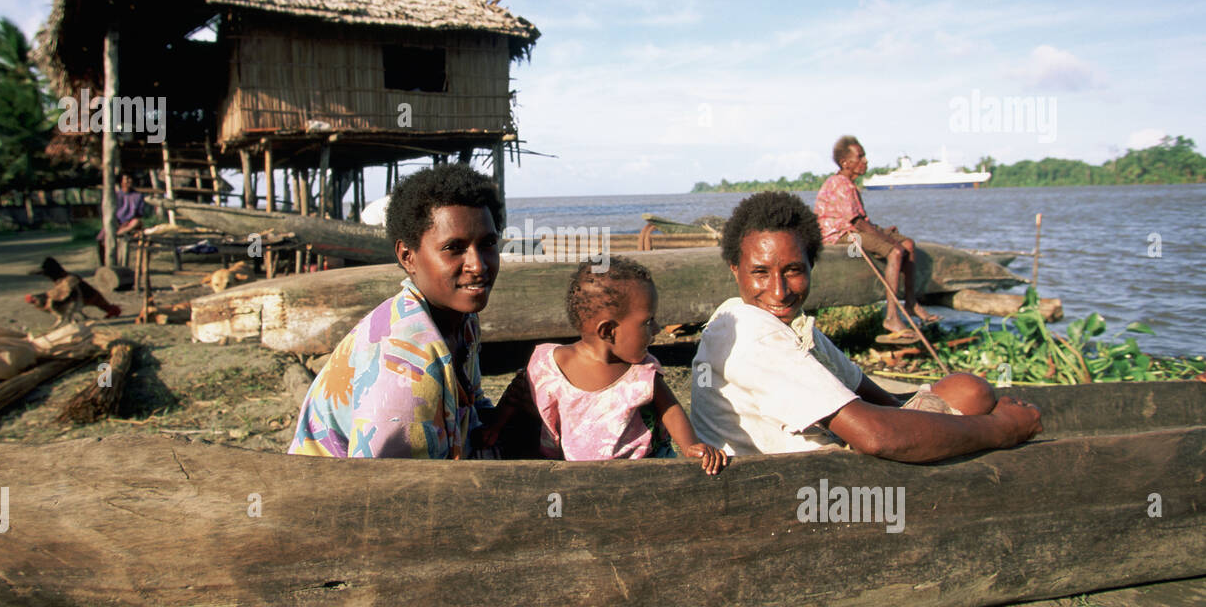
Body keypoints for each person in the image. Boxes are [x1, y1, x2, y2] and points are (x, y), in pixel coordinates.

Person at [690, 191, 1041, 463]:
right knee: (964, 403)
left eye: (794, 270)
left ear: (813, 266)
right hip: (798, 487)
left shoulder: (787, 326)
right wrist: (1000, 429)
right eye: (760, 272)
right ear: (735, 269)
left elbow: (882, 401)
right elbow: (876, 436)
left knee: (969, 390)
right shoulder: (751, 331)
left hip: (825, 465)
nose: (779, 291)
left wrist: (934, 420)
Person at [288, 163, 502, 459]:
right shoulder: (404, 369)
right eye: (454, 248)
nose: (478, 265)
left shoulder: (461, 320)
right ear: (408, 256)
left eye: (488, 243)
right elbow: (389, 491)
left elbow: (472, 407)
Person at [482, 258, 727, 474]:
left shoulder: (642, 371)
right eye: (648, 321)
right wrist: (496, 424)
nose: (657, 329)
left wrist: (690, 446)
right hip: (571, 472)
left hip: (642, 473)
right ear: (608, 331)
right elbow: (517, 394)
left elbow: (670, 408)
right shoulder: (548, 363)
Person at [814, 136, 937, 336]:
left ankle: (911, 303)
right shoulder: (839, 183)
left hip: (855, 228)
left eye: (864, 156)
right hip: (840, 234)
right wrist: (885, 239)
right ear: (846, 163)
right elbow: (856, 222)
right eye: (860, 157)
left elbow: (861, 220)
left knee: (908, 244)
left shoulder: (848, 183)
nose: (865, 161)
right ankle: (891, 317)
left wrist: (883, 232)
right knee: (896, 251)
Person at [96, 173, 147, 266]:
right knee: (100, 239)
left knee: (136, 222)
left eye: (130, 179)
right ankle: (104, 264)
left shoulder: (138, 196)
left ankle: (118, 233)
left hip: (130, 223)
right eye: (126, 179)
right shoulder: (115, 195)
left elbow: (140, 214)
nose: (128, 181)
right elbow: (110, 211)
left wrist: (130, 221)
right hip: (116, 222)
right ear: (121, 182)